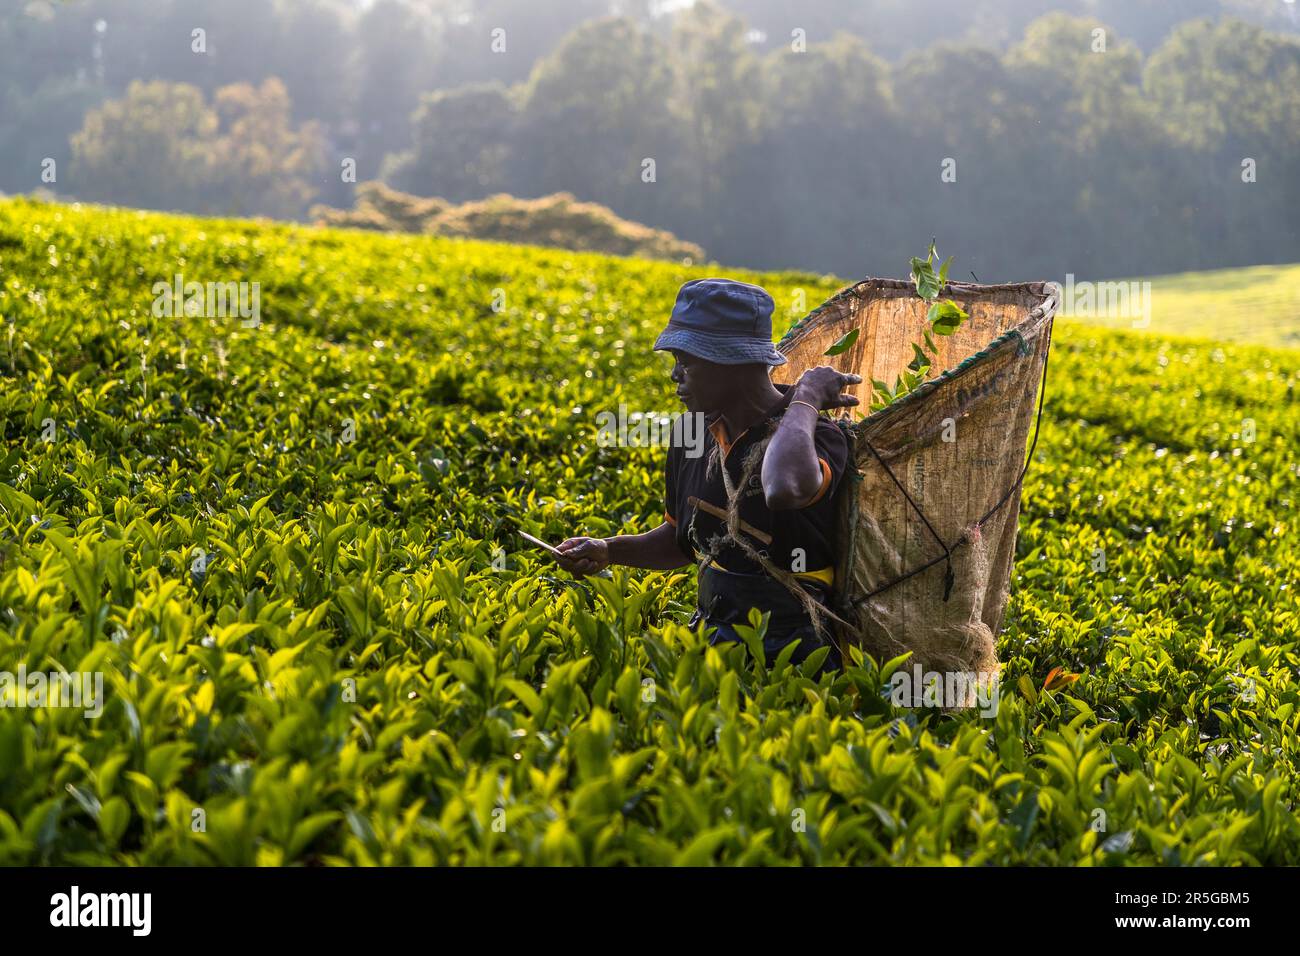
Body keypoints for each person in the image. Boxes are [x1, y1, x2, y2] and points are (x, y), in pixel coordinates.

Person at [555, 278, 860, 672]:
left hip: (797, 655)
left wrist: (806, 399)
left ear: (732, 364)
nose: (675, 376)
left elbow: (784, 488)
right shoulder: (692, 434)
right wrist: (609, 549)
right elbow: (680, 540)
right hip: (714, 640)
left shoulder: (815, 435)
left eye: (687, 363)